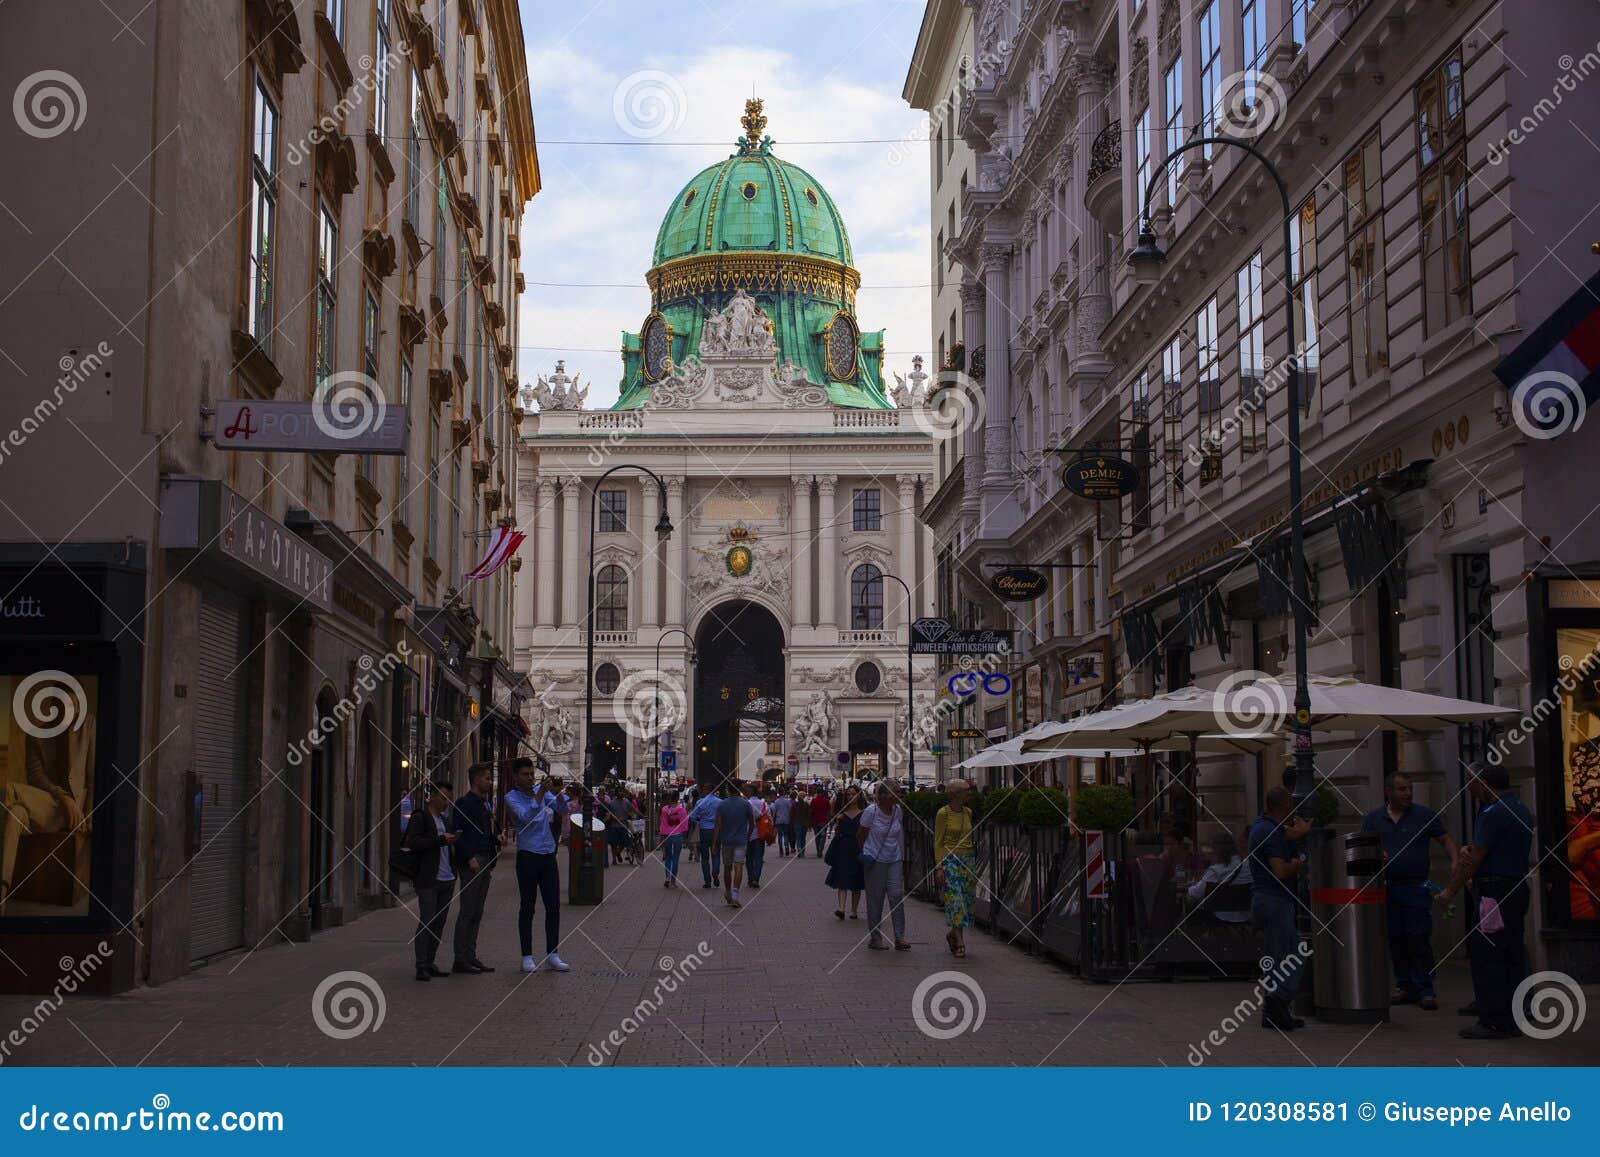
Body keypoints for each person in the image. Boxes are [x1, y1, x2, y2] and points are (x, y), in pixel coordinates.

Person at [1439, 763, 1535, 1040]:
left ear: (1483, 782)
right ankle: (1516, 1014)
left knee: (1487, 955)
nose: (1469, 789)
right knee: (1512, 952)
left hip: (1494, 892)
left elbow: (1474, 859)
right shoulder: (1521, 809)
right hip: (1516, 887)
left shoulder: (1493, 812)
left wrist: (1449, 892)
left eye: (1471, 783)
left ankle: (1493, 1020)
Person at [1360, 771, 1460, 1010]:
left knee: (1418, 936)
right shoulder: (1374, 819)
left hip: (1416, 886)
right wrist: (1375, 854)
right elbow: (1362, 847)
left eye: (1409, 788)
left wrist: (1455, 860)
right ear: (1389, 791)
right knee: (1396, 937)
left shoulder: (1423, 815)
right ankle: (1404, 985)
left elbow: (1445, 839)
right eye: (1402, 789)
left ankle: (1425, 988)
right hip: (1388, 887)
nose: (1408, 793)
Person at [1247, 786, 1313, 1030]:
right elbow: (1280, 871)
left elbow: (1283, 834)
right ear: (1286, 805)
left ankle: (1275, 1010)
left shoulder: (1262, 826)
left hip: (1265, 899)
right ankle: (1277, 1002)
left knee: (1279, 956)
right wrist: (1298, 861)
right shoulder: (1271, 833)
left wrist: (1297, 834)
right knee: (1291, 955)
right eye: (1291, 805)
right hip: (1275, 900)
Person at [503, 757, 569, 973]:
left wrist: (559, 793)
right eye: (525, 774)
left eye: (532, 774)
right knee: (527, 906)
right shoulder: (511, 798)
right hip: (528, 855)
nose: (530, 778)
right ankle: (527, 955)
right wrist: (540, 794)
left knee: (553, 906)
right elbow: (525, 818)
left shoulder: (542, 792)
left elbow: (563, 809)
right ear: (515, 776)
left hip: (548, 854)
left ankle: (553, 954)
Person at [402, 781, 457, 982]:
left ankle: (430, 961)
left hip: (447, 878)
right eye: (443, 798)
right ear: (431, 796)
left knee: (439, 923)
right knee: (427, 921)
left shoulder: (445, 820)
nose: (446, 802)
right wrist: (441, 840)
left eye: (448, 799)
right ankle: (421, 965)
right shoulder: (421, 817)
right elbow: (413, 843)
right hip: (428, 879)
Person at [448, 763, 499, 974]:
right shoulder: (464, 803)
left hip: (485, 859)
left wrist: (496, 839)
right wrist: (469, 857)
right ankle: (460, 958)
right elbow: (457, 833)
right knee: (467, 911)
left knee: (477, 911)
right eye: (487, 778)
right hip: (473, 861)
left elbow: (484, 832)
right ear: (476, 780)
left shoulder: (484, 804)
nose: (490, 782)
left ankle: (470, 954)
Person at [857, 782, 910, 950]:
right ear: (884, 795)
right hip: (875, 859)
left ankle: (900, 937)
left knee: (896, 896)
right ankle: (875, 938)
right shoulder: (871, 812)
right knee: (876, 899)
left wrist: (901, 855)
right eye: (896, 793)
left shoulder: (898, 810)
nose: (899, 796)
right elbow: (860, 835)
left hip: (894, 857)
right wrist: (866, 853)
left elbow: (899, 832)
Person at [933, 779, 978, 956]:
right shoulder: (942, 813)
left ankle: (953, 933)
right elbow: (938, 842)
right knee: (955, 900)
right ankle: (960, 941)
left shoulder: (968, 812)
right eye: (967, 790)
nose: (970, 793)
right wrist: (939, 867)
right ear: (955, 794)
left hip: (967, 859)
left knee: (966, 900)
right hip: (949, 859)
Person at [1186, 831, 1251, 923]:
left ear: (1217, 850)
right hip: (1246, 915)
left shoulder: (1215, 870)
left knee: (1188, 901)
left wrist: (1189, 888)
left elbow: (1197, 893)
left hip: (1218, 916)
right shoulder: (1248, 865)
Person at [824, 786, 866, 919]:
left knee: (856, 879)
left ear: (859, 796)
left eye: (854, 794)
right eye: (848, 794)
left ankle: (854, 911)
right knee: (842, 877)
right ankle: (841, 909)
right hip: (843, 848)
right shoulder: (842, 814)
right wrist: (838, 821)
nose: (851, 797)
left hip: (858, 847)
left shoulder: (864, 814)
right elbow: (837, 831)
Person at [712, 780, 752, 907]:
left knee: (727, 867)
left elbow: (717, 825)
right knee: (739, 866)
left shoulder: (722, 804)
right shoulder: (746, 804)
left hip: (726, 841)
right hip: (741, 840)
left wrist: (714, 843)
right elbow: (752, 824)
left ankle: (728, 892)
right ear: (739, 789)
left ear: (728, 790)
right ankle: (735, 895)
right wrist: (748, 836)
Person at [688, 783, 722, 888]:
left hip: (704, 830)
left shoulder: (700, 802)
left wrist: (700, 819)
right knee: (716, 853)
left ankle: (707, 881)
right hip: (716, 831)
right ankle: (715, 872)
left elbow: (692, 817)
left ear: (705, 790)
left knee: (705, 858)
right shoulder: (720, 802)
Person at [659, 790, 689, 888]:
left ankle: (667, 877)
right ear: (677, 798)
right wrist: (685, 837)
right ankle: (673, 881)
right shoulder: (681, 810)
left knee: (668, 857)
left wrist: (662, 835)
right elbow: (685, 825)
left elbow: (662, 823)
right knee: (676, 858)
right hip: (678, 835)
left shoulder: (664, 809)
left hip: (667, 835)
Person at [746, 785, 771, 888]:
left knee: (749, 858)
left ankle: (750, 878)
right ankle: (756, 879)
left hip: (748, 834)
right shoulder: (764, 804)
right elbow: (769, 819)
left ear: (750, 793)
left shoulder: (746, 803)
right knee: (758, 858)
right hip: (760, 834)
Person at [810, 787, 832, 857]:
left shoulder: (813, 800)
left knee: (817, 836)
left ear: (817, 793)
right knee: (823, 836)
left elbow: (811, 811)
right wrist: (829, 819)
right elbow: (829, 811)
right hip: (824, 820)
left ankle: (818, 850)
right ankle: (820, 849)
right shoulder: (826, 801)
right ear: (822, 793)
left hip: (815, 821)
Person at [772, 789, 794, 857]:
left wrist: (773, 819)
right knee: (786, 834)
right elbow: (790, 810)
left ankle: (781, 850)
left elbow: (774, 811)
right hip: (786, 820)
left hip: (778, 820)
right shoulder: (787, 801)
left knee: (780, 835)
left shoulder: (776, 801)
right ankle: (786, 847)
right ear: (784, 793)